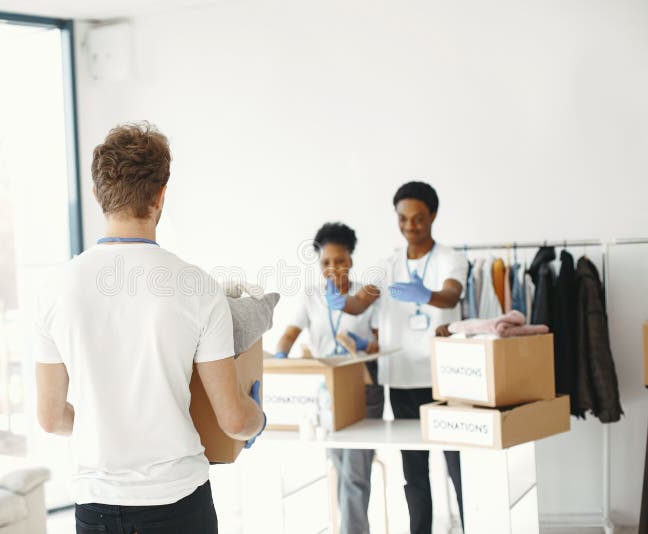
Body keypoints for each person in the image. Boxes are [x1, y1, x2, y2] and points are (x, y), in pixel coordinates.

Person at [33, 122, 266, 534]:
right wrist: (257, 419)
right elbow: (232, 419)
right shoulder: (197, 287)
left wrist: (106, 427)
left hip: (95, 508)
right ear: (160, 196)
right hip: (177, 504)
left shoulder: (55, 289)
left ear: (97, 195)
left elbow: (50, 418)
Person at [326, 181, 467, 534]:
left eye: (418, 219)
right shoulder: (388, 264)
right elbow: (362, 301)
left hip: (444, 380)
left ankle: (471, 524)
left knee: (458, 467)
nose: (410, 226)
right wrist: (341, 300)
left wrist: (427, 294)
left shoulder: (451, 258)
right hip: (402, 380)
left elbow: (451, 296)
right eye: (402, 219)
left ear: (432, 216)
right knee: (414, 472)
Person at [274, 222, 380, 534]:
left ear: (351, 260)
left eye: (340, 260)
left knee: (355, 474)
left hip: (364, 388)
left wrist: (363, 345)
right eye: (325, 262)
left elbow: (380, 341)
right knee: (341, 468)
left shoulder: (366, 295)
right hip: (326, 392)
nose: (333, 268)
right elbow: (289, 335)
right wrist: (281, 356)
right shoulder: (311, 297)